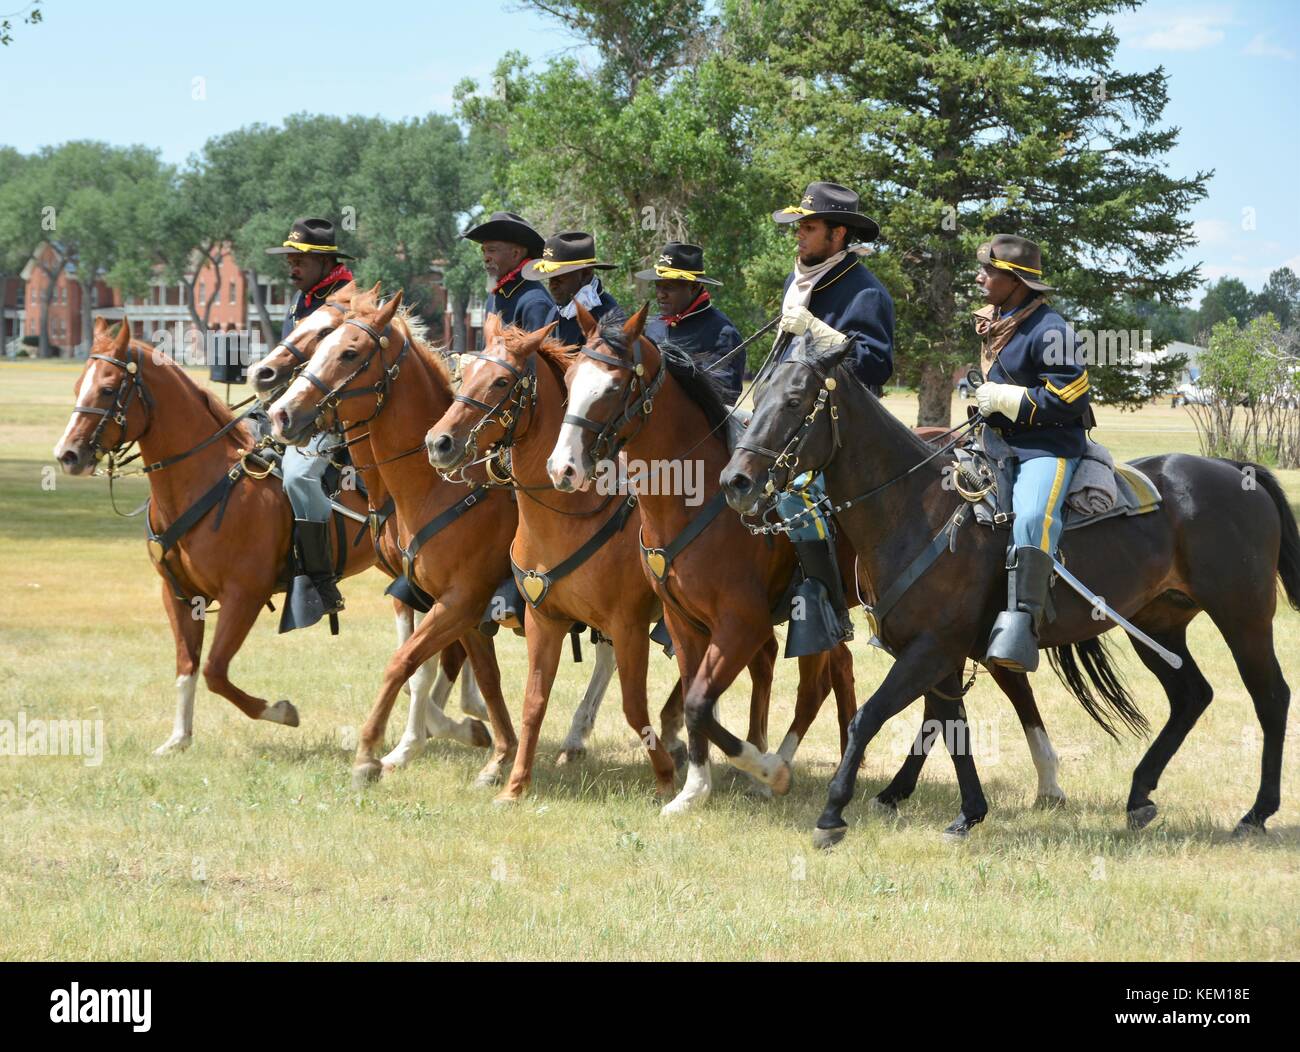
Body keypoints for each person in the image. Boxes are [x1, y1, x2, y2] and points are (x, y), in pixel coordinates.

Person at [769, 181, 895, 653]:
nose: (799, 234)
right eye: (798, 226)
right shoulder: (800, 280)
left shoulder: (866, 292)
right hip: (790, 420)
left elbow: (874, 366)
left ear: (838, 234)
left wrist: (819, 333)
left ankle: (826, 607)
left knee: (796, 496)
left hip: (844, 430)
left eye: (810, 226)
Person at [972, 234, 1092, 673]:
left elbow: (1071, 397)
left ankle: (1023, 623)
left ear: (1017, 280)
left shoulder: (1052, 329)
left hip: (1047, 445)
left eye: (990, 270)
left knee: (1031, 517)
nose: (980, 277)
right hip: (994, 443)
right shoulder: (996, 319)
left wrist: (1010, 400)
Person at [264, 217, 355, 626]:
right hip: (293, 407)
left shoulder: (345, 302)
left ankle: (320, 579)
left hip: (334, 416)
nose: (292, 266)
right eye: (289, 259)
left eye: (299, 259)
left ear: (324, 261)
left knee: (298, 477)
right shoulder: (302, 299)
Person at [638, 242, 745, 404]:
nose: (660, 295)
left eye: (669, 287)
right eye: (658, 286)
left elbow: (722, 400)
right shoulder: (654, 327)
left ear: (693, 287)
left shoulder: (722, 333)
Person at [460, 211, 558, 334]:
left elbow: (540, 353)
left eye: (492, 250)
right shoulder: (494, 296)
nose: (486, 257)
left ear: (515, 254)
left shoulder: (535, 302)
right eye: (484, 251)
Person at [522, 231, 624, 346]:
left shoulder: (608, 317)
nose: (552, 286)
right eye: (550, 278)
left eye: (560, 278)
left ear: (585, 273)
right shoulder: (554, 313)